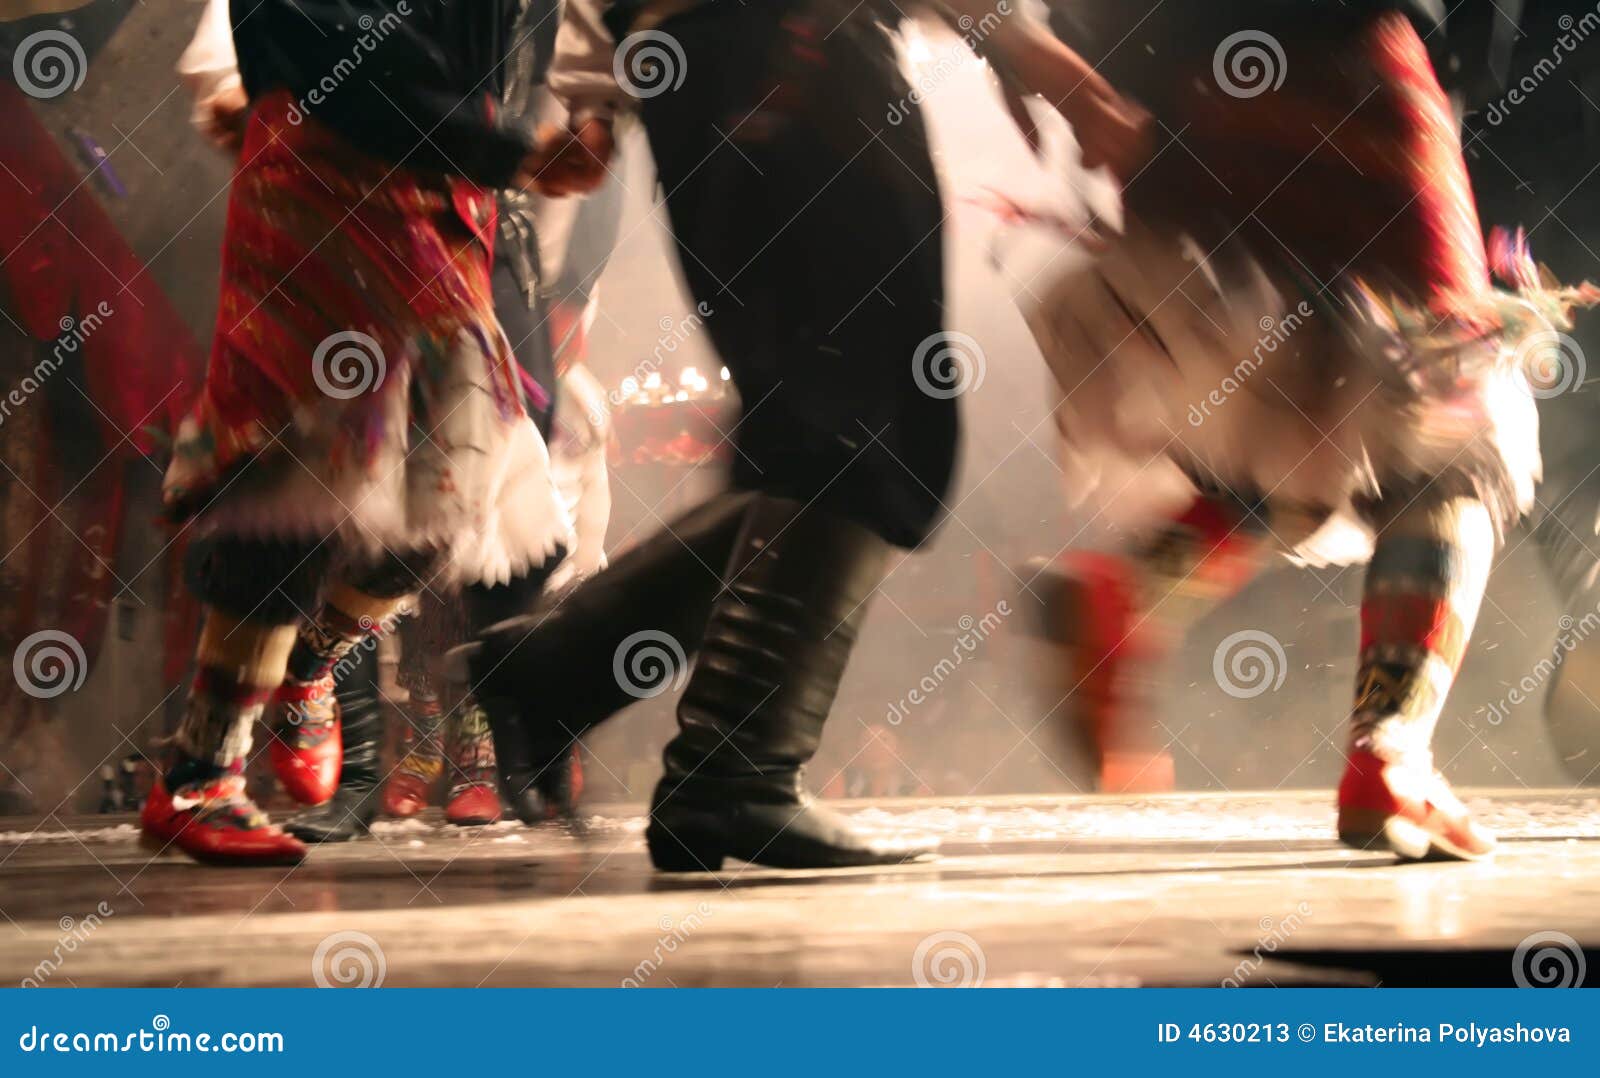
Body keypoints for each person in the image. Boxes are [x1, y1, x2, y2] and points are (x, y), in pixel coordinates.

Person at [453, 0, 1149, 871]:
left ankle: (564, 668)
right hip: (792, 47)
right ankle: (727, 770)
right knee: (870, 421)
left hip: (697, 63)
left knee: (810, 424)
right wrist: (1030, 50)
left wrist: (598, 88)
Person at [1017, 2, 1594, 860]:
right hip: (1343, 59)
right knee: (1451, 437)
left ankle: (1128, 593)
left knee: (1316, 417)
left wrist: (1060, 66)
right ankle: (1387, 755)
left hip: (1182, 90)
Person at [143, 0, 571, 865]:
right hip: (326, 167)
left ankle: (311, 658)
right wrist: (509, 147)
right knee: (296, 489)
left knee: (449, 496)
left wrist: (523, 140)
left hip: (450, 191)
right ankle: (198, 775)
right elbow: (310, 34)